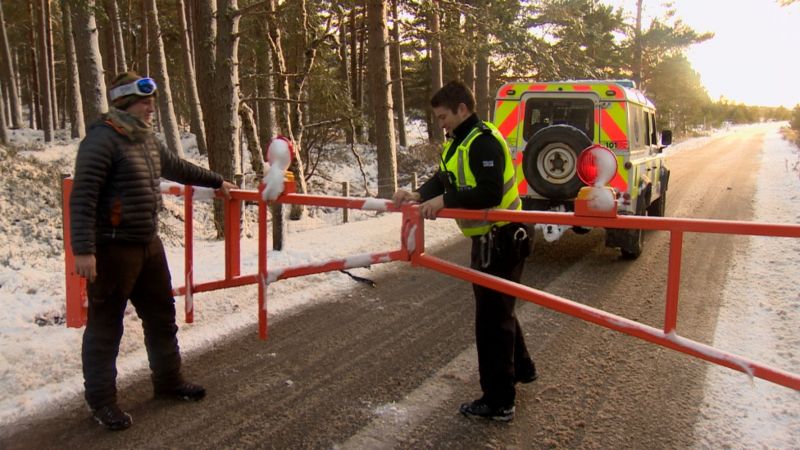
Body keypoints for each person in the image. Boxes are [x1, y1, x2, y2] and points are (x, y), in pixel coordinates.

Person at [70, 71, 236, 431]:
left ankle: (168, 381)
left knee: (162, 316)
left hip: (148, 243)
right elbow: (82, 197)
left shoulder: (145, 138)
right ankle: (101, 402)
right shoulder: (101, 140)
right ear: (125, 102)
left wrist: (216, 180)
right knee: (105, 327)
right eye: (145, 102)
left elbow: (176, 167)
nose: (151, 108)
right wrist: (83, 250)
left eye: (152, 101)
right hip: (113, 248)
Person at [393, 80, 536, 422]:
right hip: (490, 239)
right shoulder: (460, 142)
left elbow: (488, 192)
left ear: (462, 109)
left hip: (502, 238)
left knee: (492, 321)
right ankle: (521, 368)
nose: (441, 124)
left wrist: (446, 201)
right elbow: (444, 178)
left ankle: (499, 401)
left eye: (443, 117)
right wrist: (419, 194)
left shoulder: (482, 141)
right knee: (498, 310)